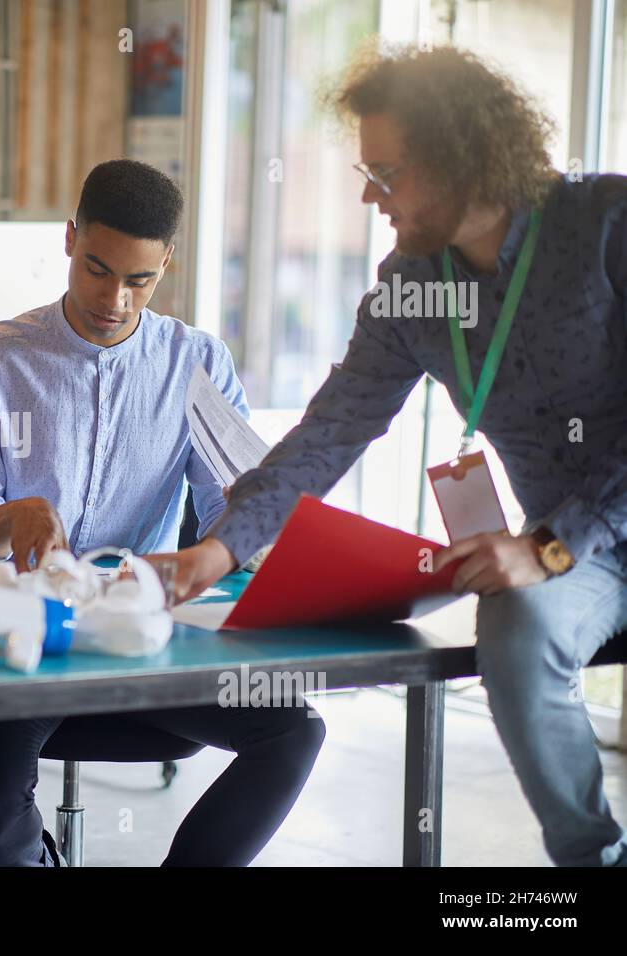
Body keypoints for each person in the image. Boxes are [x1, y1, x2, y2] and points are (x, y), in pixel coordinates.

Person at [171, 45, 627, 867]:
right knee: (516, 627)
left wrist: (549, 546)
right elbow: (334, 427)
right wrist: (222, 544)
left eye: (386, 171)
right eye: (364, 169)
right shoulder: (410, 288)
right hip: (577, 559)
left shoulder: (605, 226)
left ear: (464, 154)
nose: (365, 193)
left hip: (576, 537)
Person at [0, 159, 325, 866]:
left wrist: (259, 519)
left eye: (139, 279)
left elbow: (224, 507)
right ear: (70, 238)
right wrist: (9, 518)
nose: (114, 298)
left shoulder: (197, 361)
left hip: (140, 643)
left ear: (167, 262)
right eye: (97, 268)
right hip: (21, 643)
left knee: (296, 730)